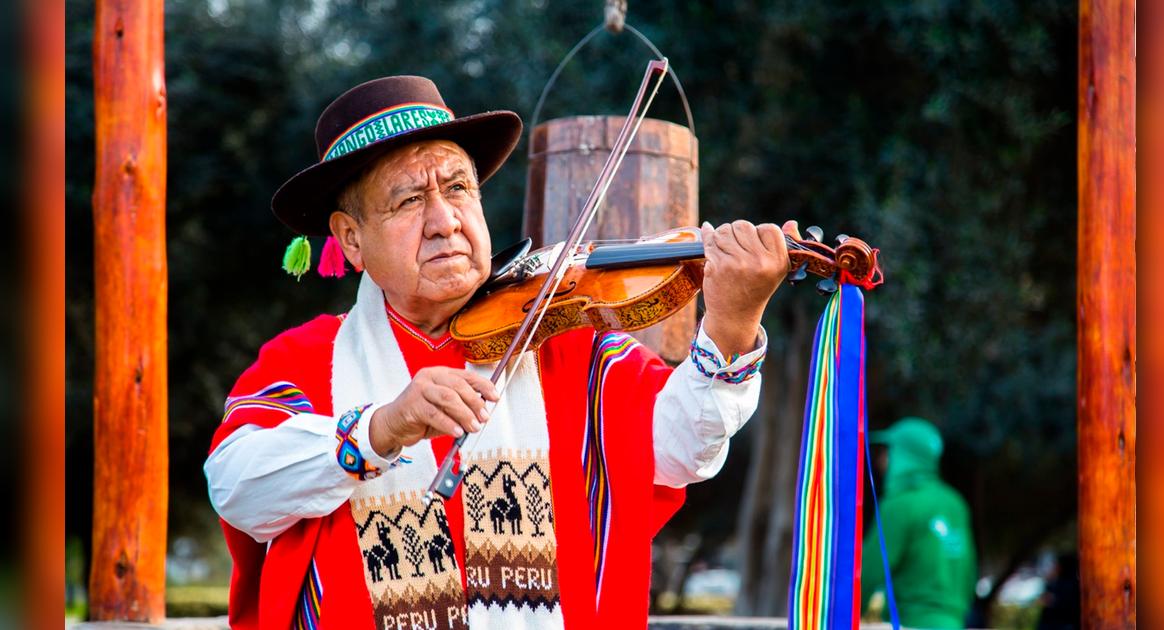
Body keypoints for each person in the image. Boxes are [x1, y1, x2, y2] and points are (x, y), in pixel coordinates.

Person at [204, 76, 801, 629]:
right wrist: (380, 429)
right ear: (351, 240)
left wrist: (730, 321)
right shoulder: (307, 359)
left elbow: (680, 452)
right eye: (409, 201)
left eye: (459, 188)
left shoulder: (565, 343)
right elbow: (238, 489)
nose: (445, 221)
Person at [861, 417, 977, 629]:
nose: (880, 461)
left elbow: (867, 573)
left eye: (887, 451)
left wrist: (834, 616)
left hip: (911, 622)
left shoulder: (900, 505)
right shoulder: (955, 503)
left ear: (905, 456)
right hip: (955, 623)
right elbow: (969, 574)